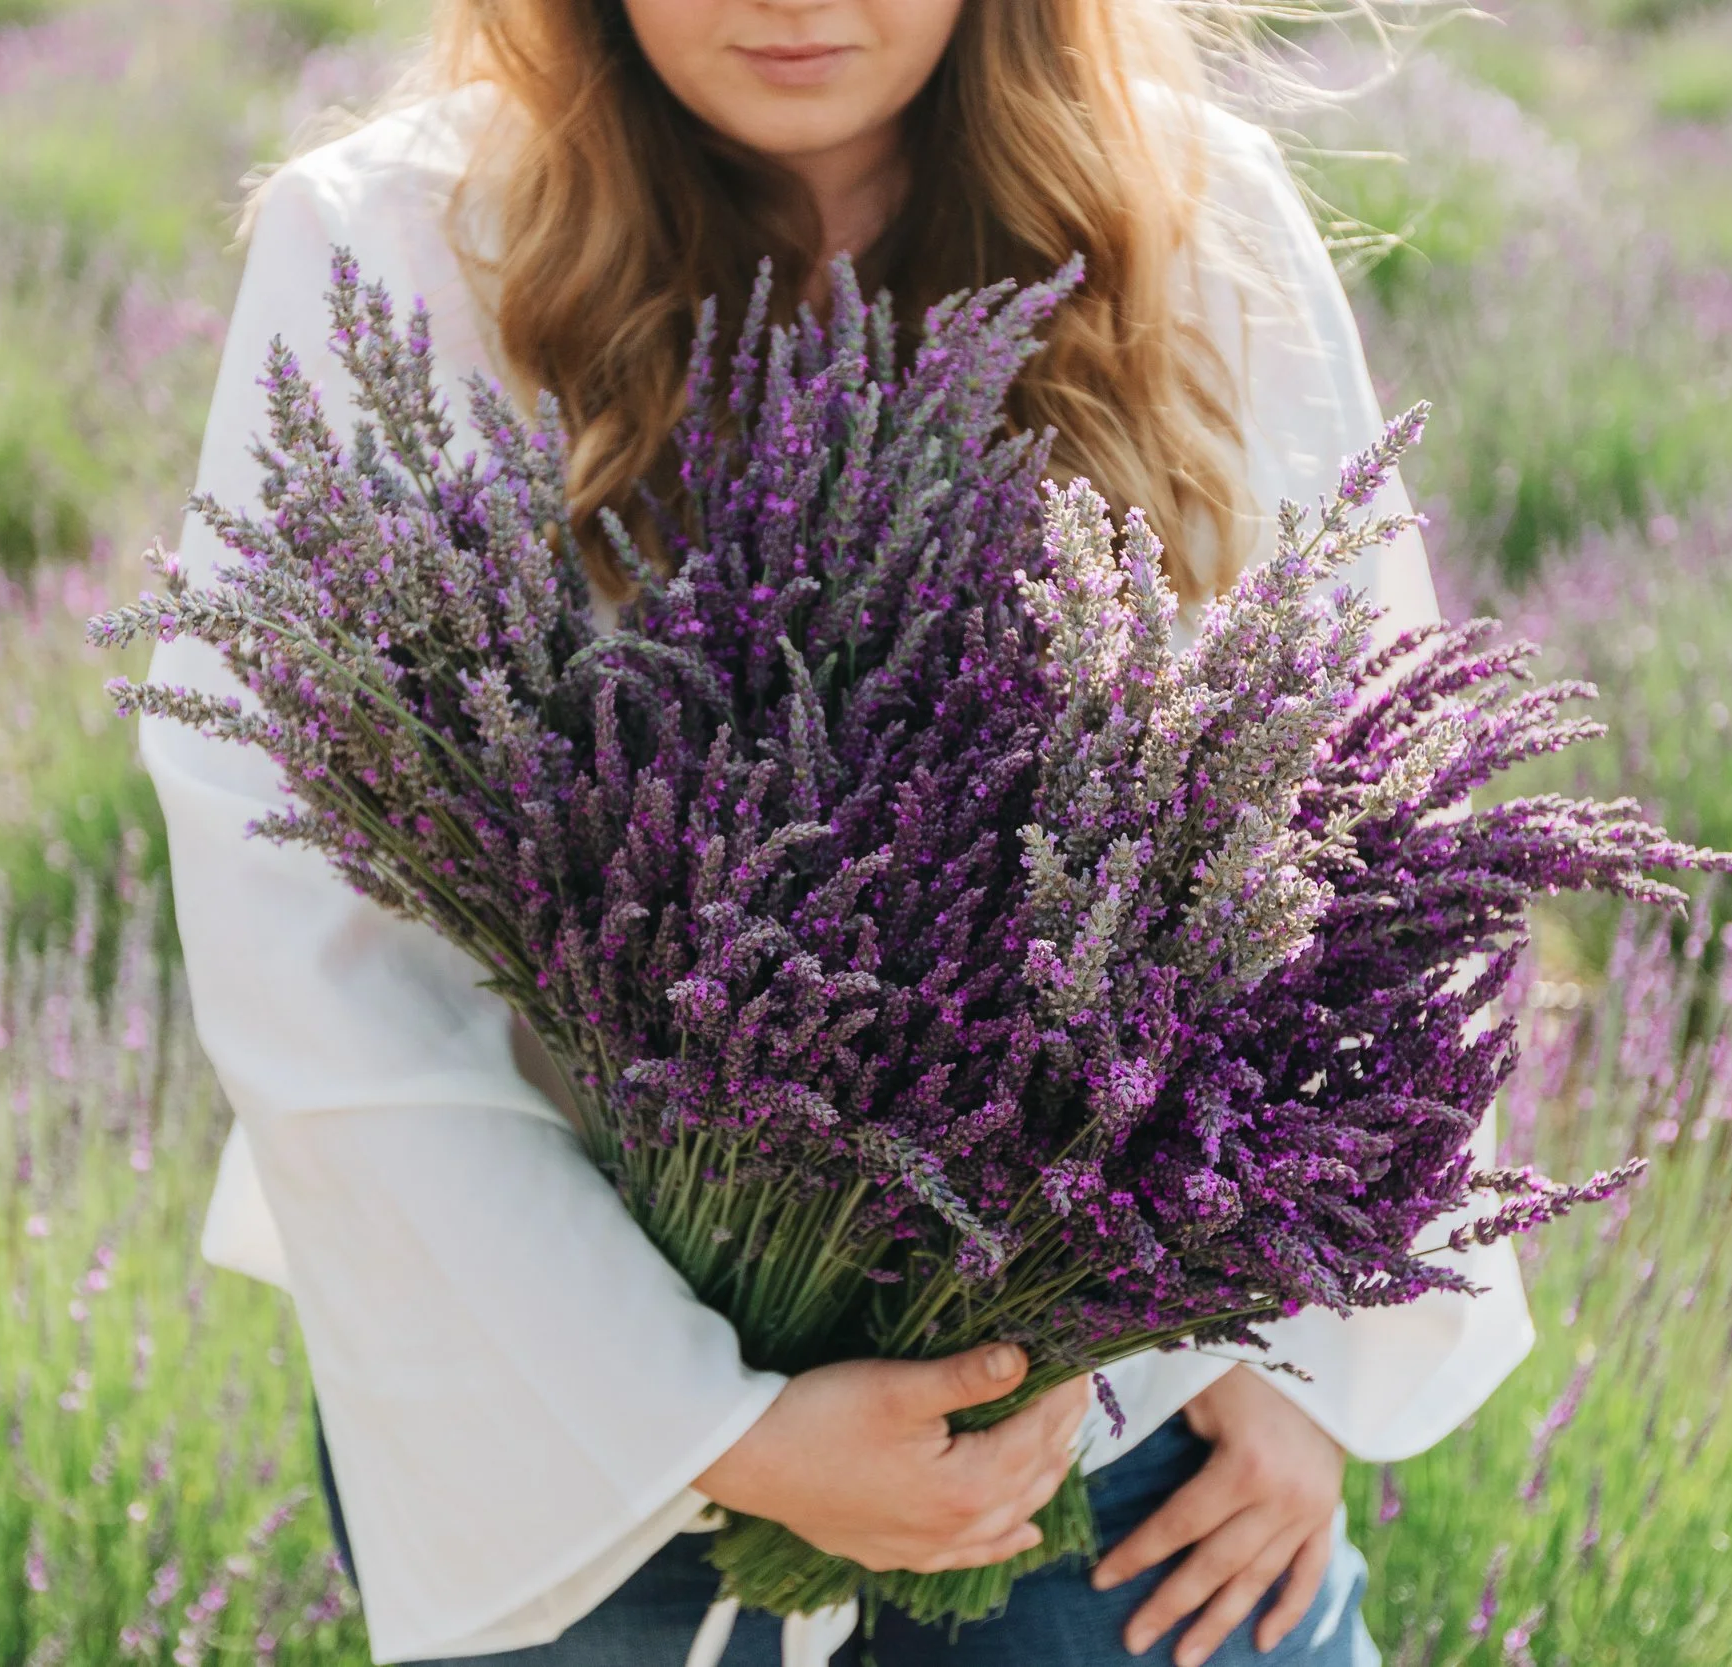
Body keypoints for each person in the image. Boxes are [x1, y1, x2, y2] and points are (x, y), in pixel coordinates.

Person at [140, 4, 1534, 1664]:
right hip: (567, 1422)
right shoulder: (389, 242)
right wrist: (710, 1426)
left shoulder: (1193, 212)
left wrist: (1312, 1373)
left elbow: (1373, 797)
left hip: (1110, 1404)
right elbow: (309, 935)